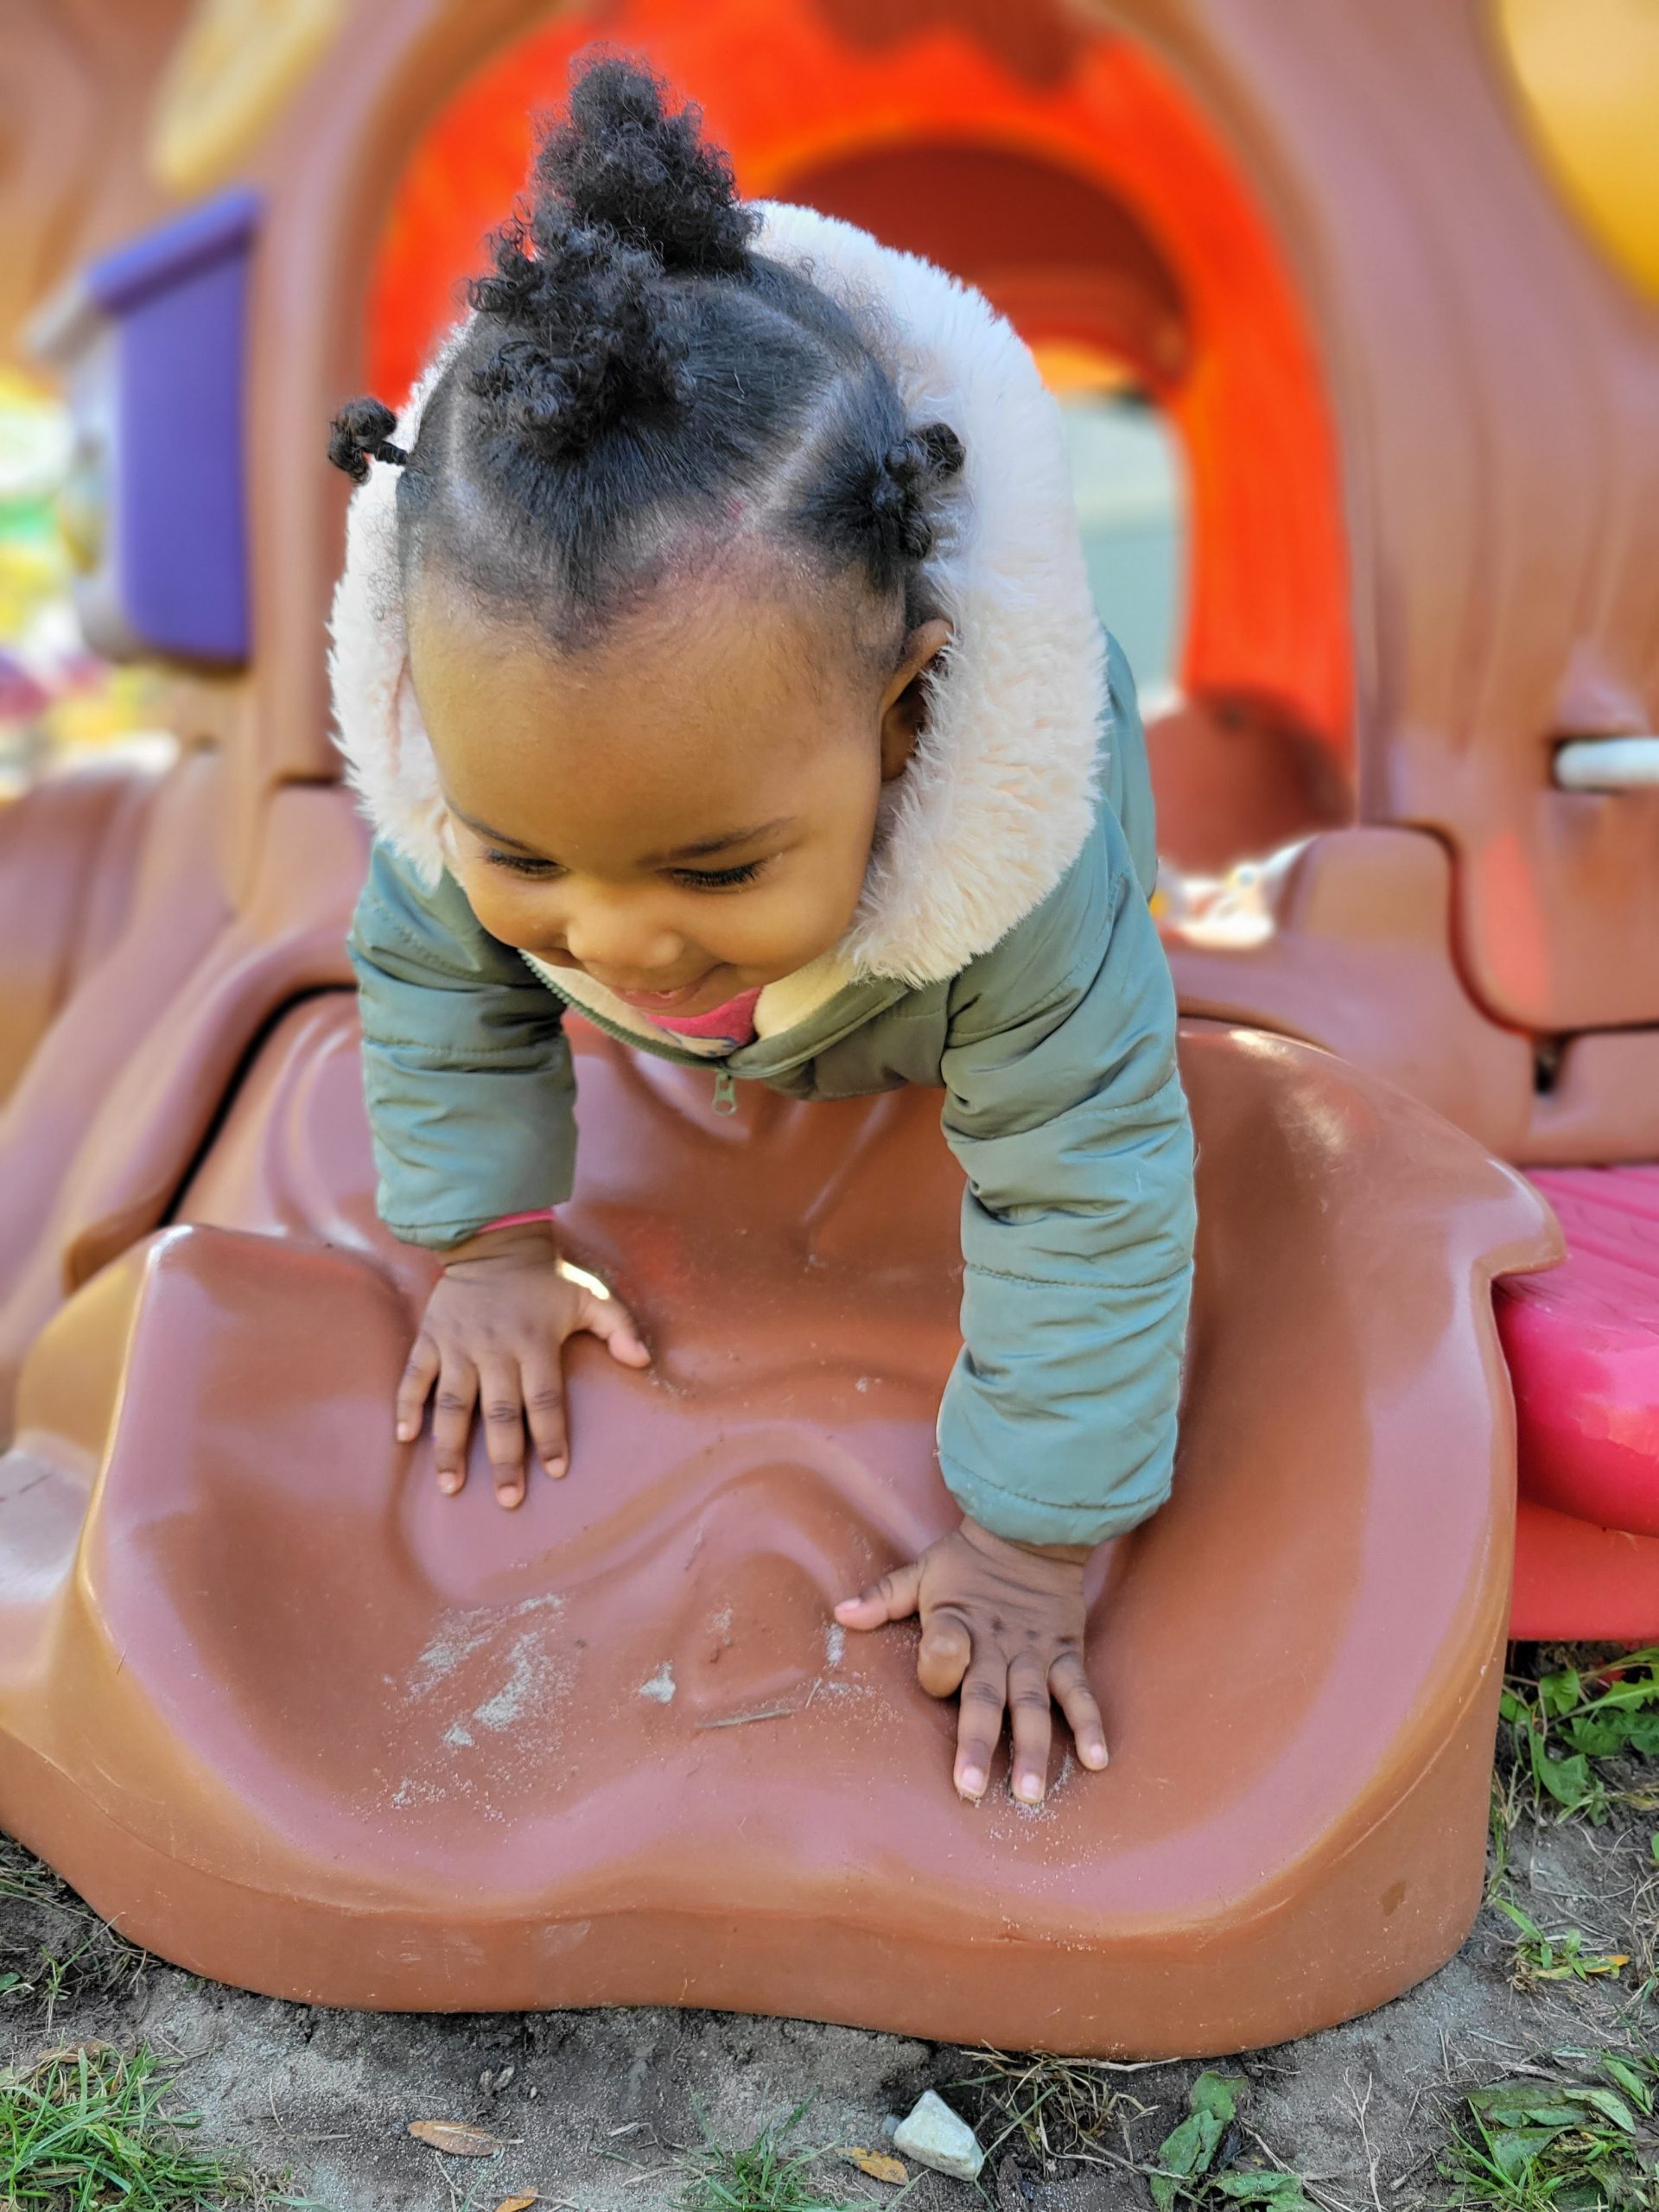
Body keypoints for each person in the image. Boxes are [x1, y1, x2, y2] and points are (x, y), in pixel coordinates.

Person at [327, 53, 1195, 1808]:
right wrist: (485, 1246)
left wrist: (1035, 1542)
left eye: (712, 870)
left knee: (1088, 1035)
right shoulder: (472, 798)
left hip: (963, 923)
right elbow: (436, 986)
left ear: (898, 723)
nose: (623, 939)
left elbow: (1090, 1176)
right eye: (535, 857)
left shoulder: (1022, 860)